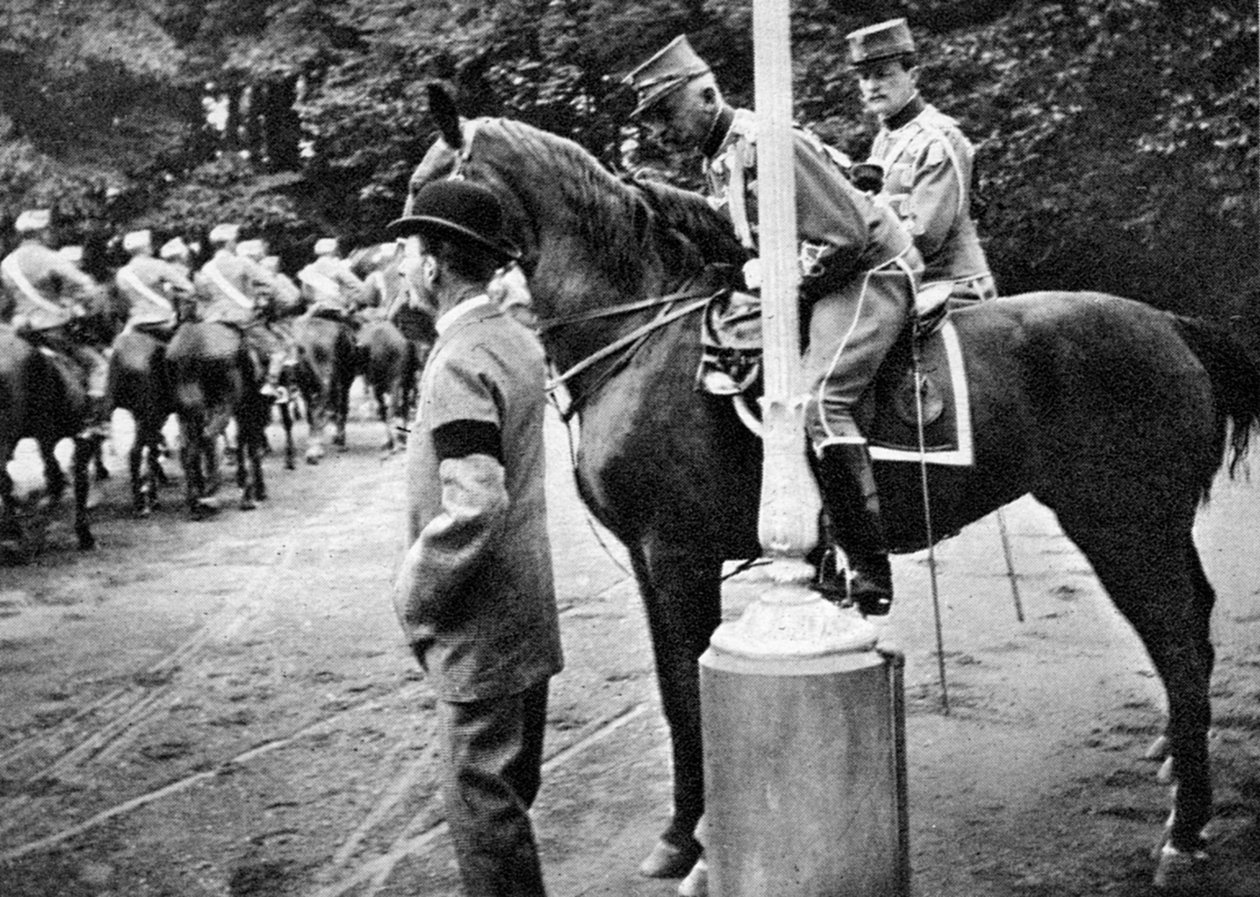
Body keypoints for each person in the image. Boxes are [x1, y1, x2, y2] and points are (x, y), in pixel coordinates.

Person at [625, 36, 923, 619]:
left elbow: (846, 237)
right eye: (652, 119)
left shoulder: (767, 144)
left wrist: (782, 285)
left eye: (665, 112)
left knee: (817, 400)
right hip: (825, 276)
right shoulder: (723, 158)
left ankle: (863, 562)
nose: (661, 130)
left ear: (707, 94)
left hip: (868, 272)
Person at [389, 179, 562, 897]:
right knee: (507, 797)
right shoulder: (515, 338)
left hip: (479, 620)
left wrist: (415, 590)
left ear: (434, 266)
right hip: (525, 612)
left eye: (406, 255)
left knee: (485, 817)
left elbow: (476, 499)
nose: (402, 269)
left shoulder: (460, 356)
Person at [848, 18, 996, 306]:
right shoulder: (884, 139)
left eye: (882, 74)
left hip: (952, 287)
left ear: (912, 76)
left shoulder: (939, 139)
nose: (872, 86)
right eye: (864, 77)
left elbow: (925, 235)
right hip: (906, 282)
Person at [1, 209, 113, 437]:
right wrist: (77, 306)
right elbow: (85, 285)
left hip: (19, 330)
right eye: (49, 230)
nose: (51, 234)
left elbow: (8, 300)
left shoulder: (7, 263)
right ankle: (93, 421)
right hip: (52, 329)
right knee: (98, 366)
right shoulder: (50, 257)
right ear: (42, 232)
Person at [193, 223, 286, 399]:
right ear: (229, 243)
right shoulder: (242, 262)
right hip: (243, 319)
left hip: (213, 320)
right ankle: (271, 384)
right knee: (278, 351)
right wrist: (261, 299)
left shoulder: (207, 267)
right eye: (234, 241)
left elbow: (202, 296)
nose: (235, 244)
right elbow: (271, 285)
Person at [115, 229, 194, 335]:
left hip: (136, 322)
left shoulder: (122, 273)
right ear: (146, 248)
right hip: (164, 319)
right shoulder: (159, 265)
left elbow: (123, 304)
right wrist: (171, 293)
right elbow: (189, 289)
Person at [298, 237, 369, 321]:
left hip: (315, 311)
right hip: (337, 310)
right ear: (333, 251)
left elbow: (306, 295)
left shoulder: (308, 270)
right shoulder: (337, 267)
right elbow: (358, 286)